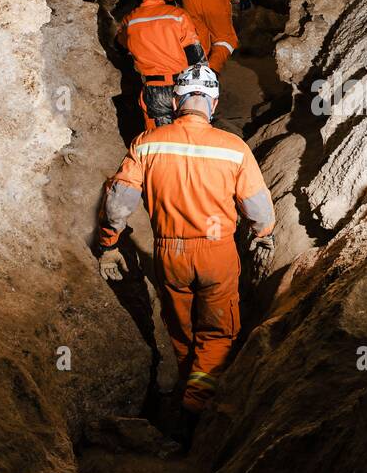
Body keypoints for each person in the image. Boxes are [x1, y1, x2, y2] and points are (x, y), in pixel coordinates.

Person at [95, 63, 275, 447]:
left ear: (177, 100)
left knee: (181, 327)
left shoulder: (148, 142)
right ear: (213, 102)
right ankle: (194, 409)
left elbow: (118, 204)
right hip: (216, 253)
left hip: (169, 253)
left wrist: (109, 244)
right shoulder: (233, 148)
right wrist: (263, 234)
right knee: (219, 331)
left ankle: (185, 381)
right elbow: (258, 208)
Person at [116, 0, 204, 130]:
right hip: (182, 86)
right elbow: (195, 55)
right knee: (188, 132)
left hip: (153, 89)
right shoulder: (178, 16)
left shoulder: (129, 21)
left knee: (158, 138)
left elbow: (120, 46)